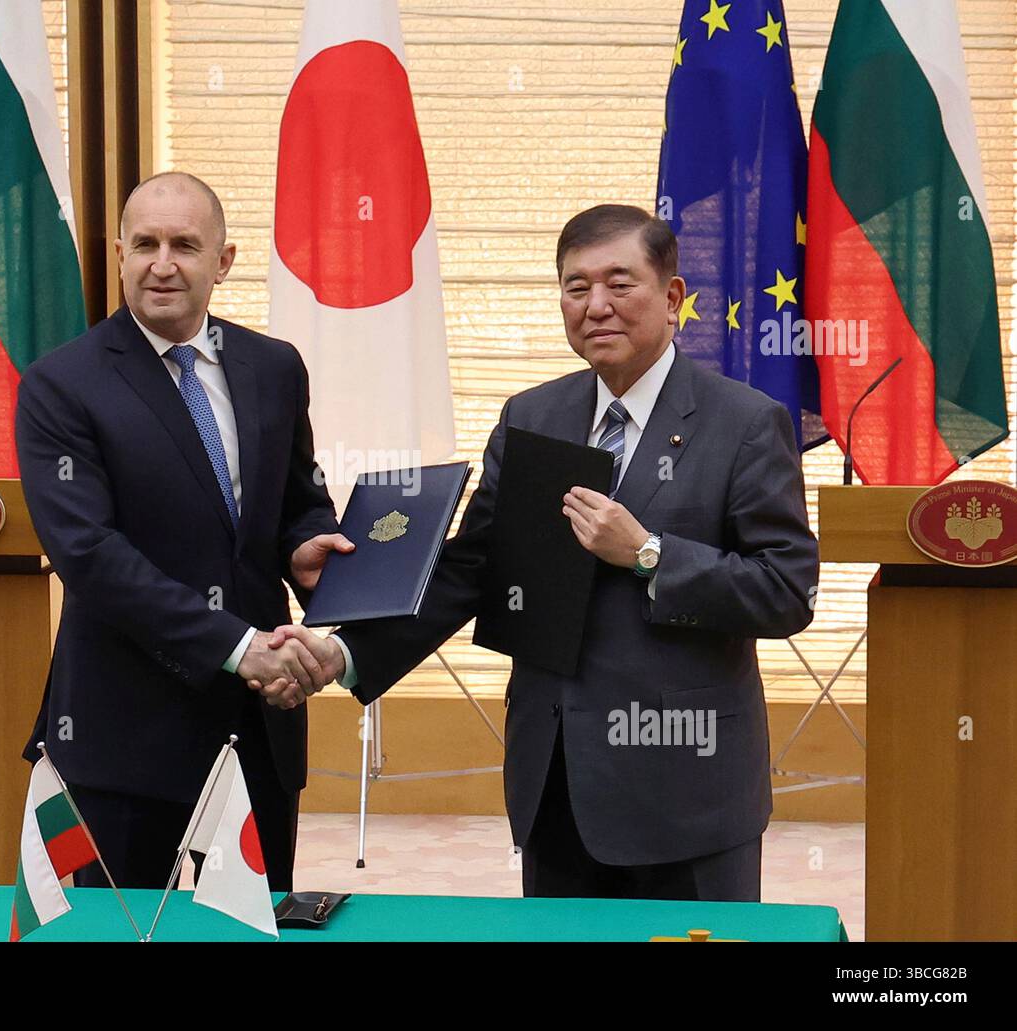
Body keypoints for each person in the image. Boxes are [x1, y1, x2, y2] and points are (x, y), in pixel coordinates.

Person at [255, 204, 819, 901]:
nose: (597, 305)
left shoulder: (744, 422)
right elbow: (471, 569)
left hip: (688, 792)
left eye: (620, 282)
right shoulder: (533, 416)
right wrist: (341, 651)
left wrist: (647, 553)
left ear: (672, 297)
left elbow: (787, 589)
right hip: (556, 786)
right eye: (576, 287)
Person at [15, 171, 350, 891]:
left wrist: (306, 545)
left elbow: (298, 498)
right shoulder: (60, 384)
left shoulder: (274, 367)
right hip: (127, 743)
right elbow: (90, 554)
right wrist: (237, 647)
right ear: (119, 253)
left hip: (259, 728)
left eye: (184, 245)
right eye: (145, 244)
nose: (161, 263)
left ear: (222, 261)